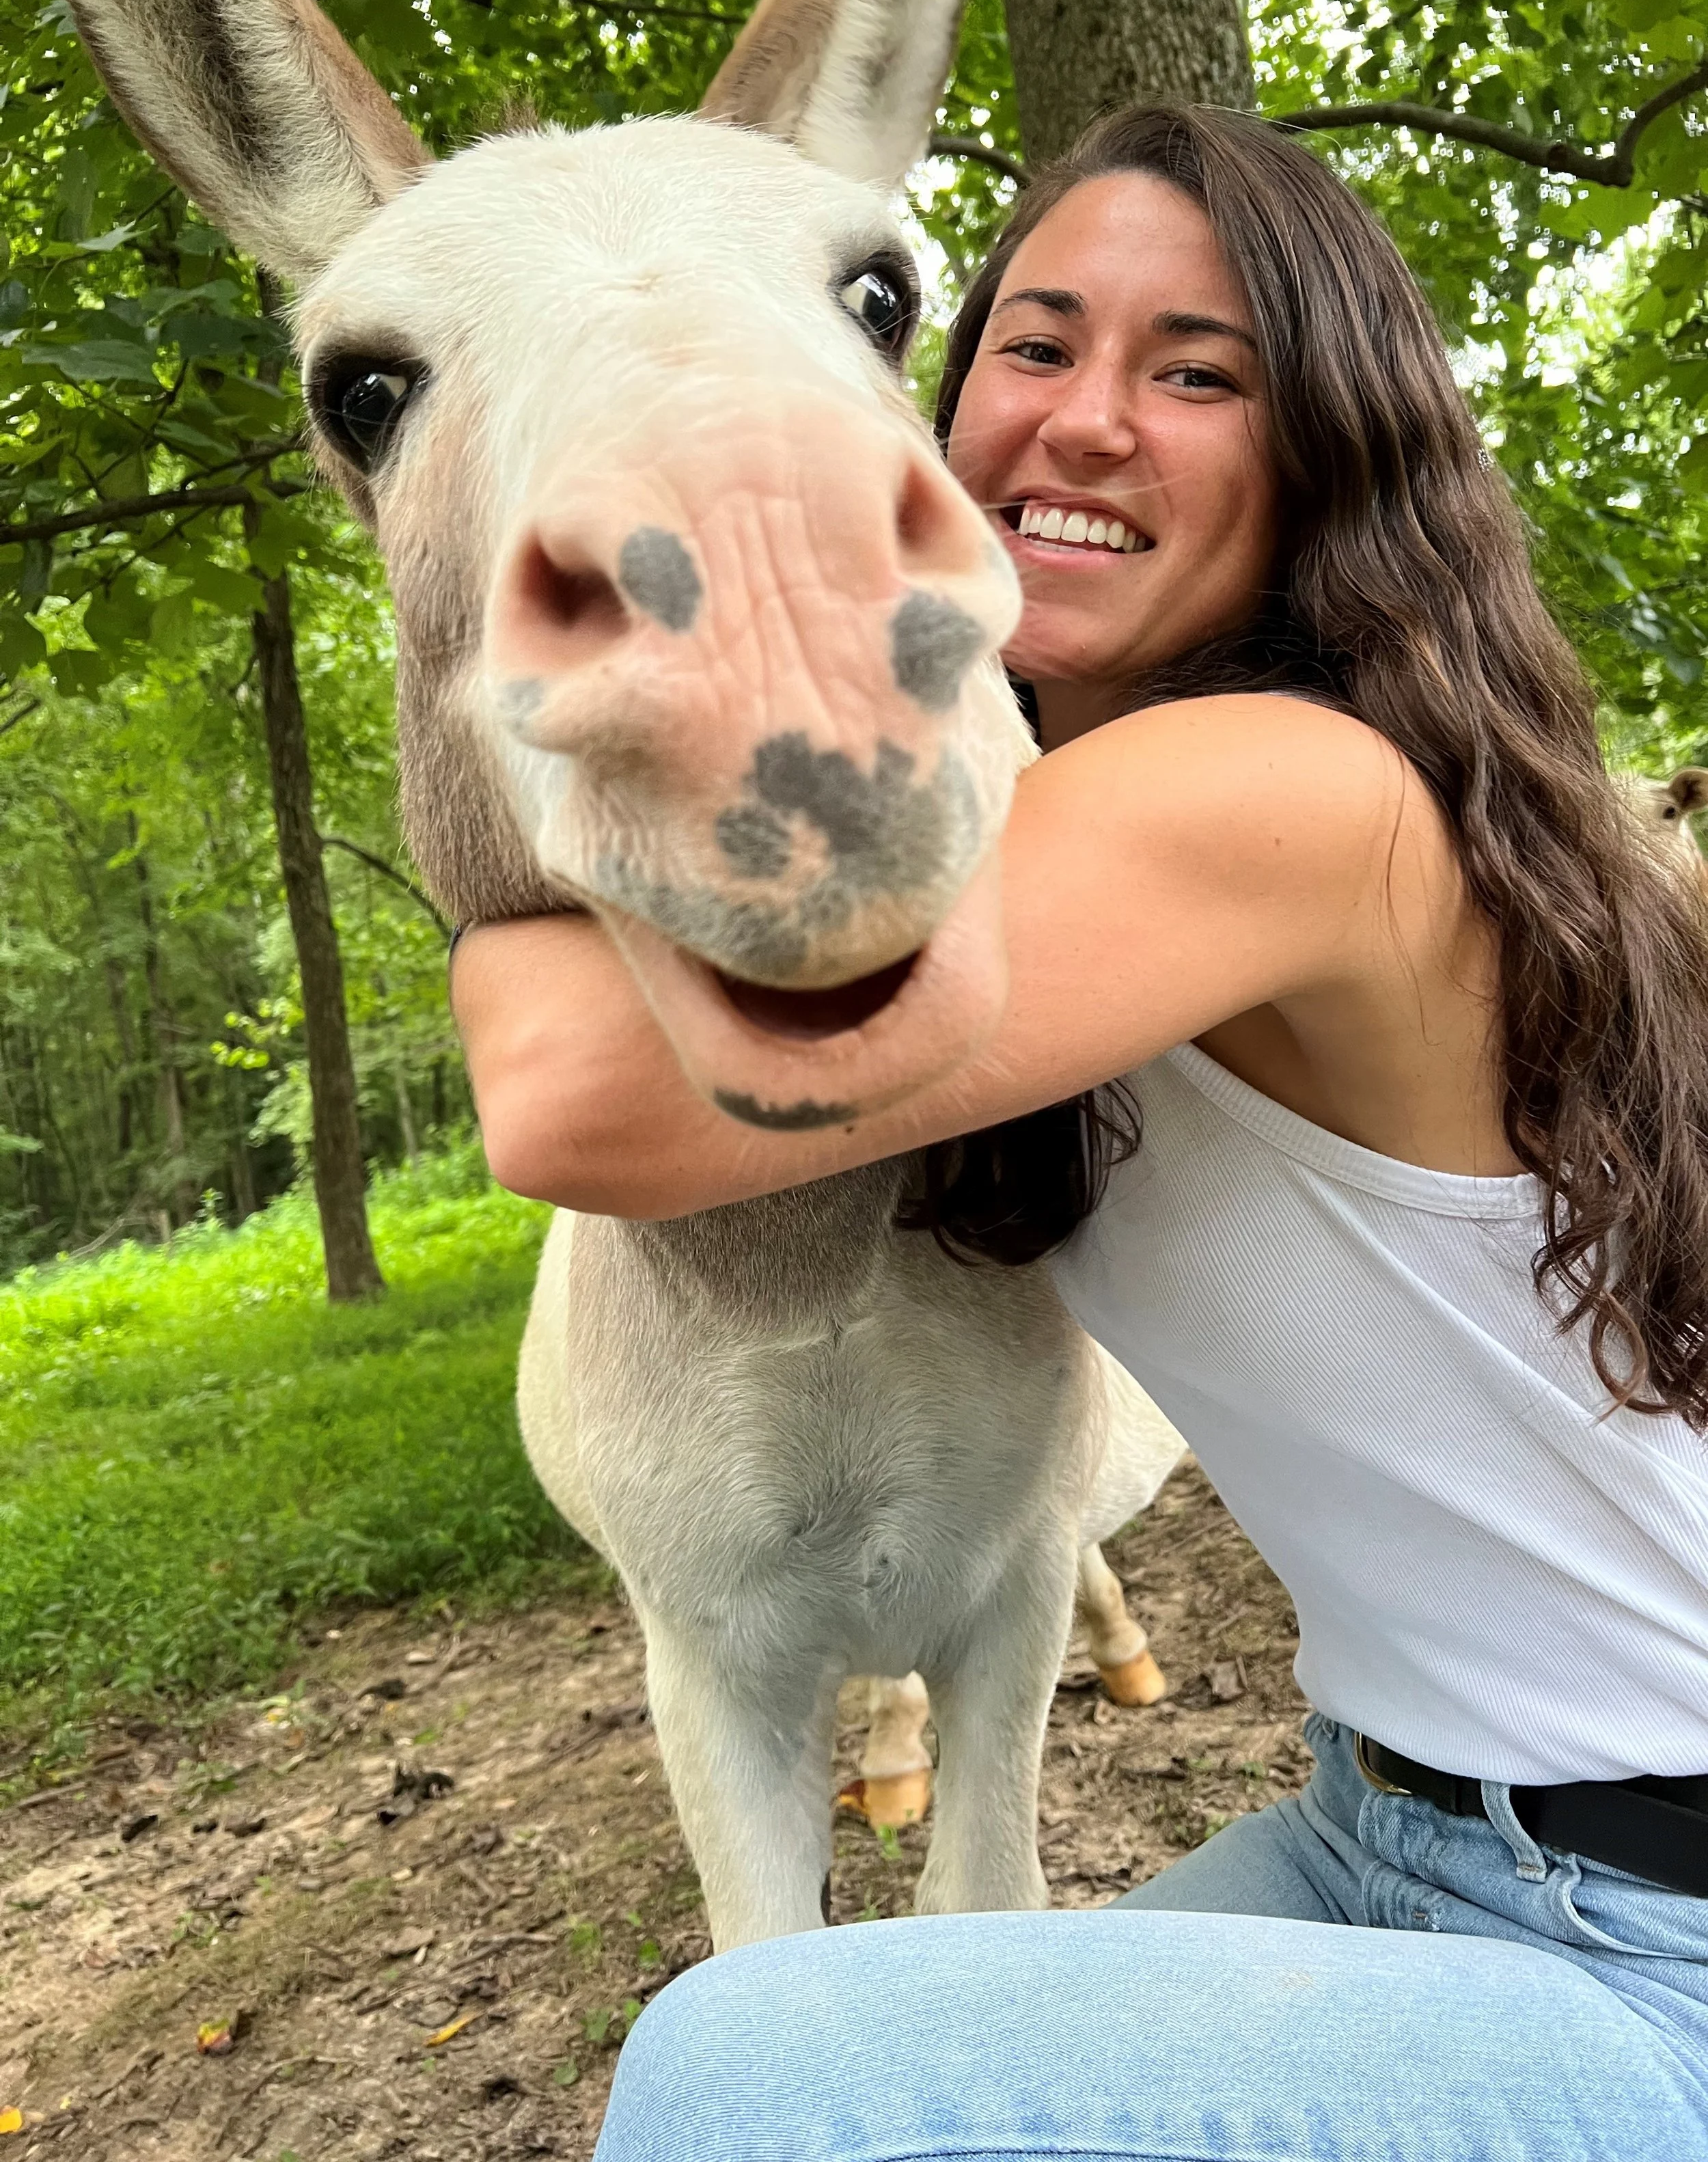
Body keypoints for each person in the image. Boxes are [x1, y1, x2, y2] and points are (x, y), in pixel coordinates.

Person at [452, 106, 1708, 2160]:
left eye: (1195, 372)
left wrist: (502, 724)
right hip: (1376, 1830)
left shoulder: (1285, 791)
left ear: (1328, 451)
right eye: (1027, 347)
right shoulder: (1077, 826)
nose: (1084, 423)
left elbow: (577, 1090)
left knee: (740, 2071)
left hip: (1643, 1936)